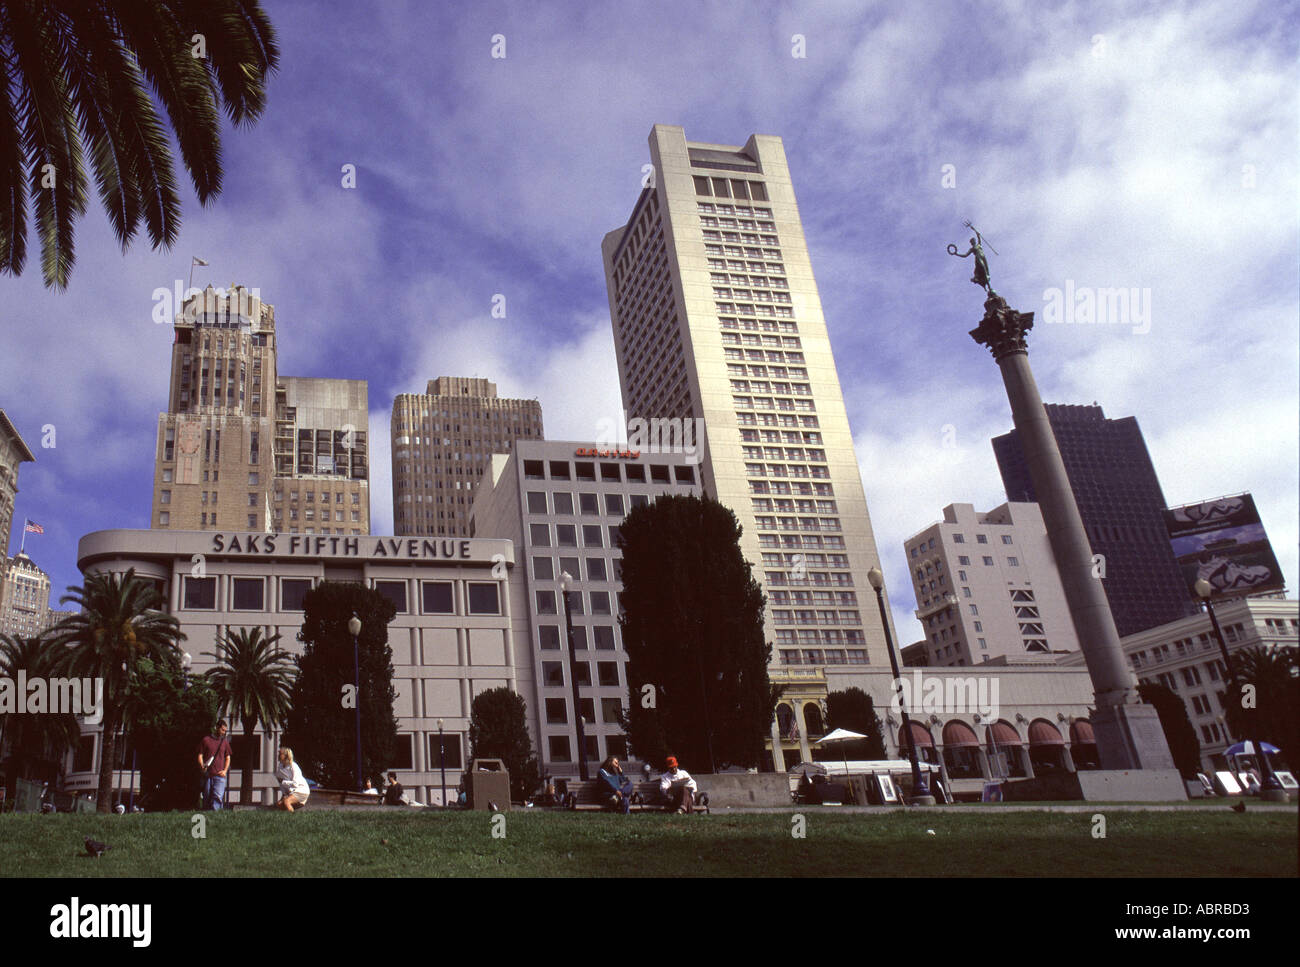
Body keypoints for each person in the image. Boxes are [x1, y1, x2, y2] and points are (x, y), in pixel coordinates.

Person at [196, 720, 232, 811]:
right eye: (222, 730)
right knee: (207, 797)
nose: (224, 732)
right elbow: (200, 755)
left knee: (217, 797)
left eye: (225, 731)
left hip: (220, 775)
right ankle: (208, 814)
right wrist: (202, 766)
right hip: (208, 774)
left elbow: (228, 758)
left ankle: (216, 815)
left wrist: (225, 771)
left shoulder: (225, 742)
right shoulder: (206, 740)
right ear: (217, 727)